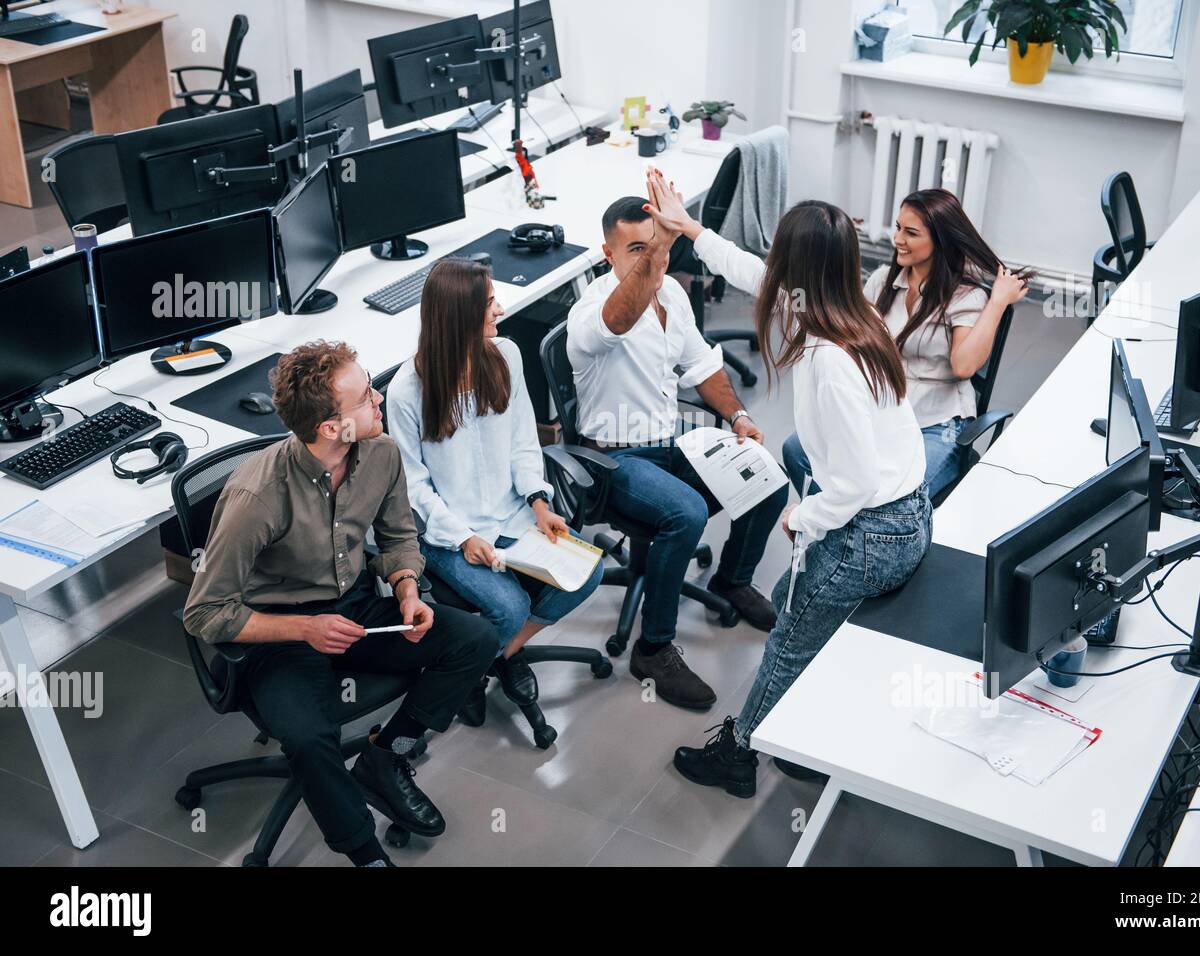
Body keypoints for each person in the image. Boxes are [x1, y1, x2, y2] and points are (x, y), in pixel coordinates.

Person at [651, 185, 933, 797]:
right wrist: (692, 231)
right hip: (906, 510)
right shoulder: (852, 305)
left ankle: (740, 755)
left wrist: (806, 518)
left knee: (787, 639)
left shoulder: (831, 361)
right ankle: (800, 727)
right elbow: (756, 275)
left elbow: (855, 485)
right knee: (789, 594)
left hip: (874, 532)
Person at [183, 340, 498, 866]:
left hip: (354, 606)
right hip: (278, 632)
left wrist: (407, 591)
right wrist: (304, 630)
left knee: (476, 640)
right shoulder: (256, 497)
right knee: (310, 738)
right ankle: (365, 852)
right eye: (365, 397)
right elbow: (204, 613)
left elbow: (398, 537)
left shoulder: (381, 452)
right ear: (330, 428)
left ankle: (383, 760)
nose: (379, 399)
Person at [565, 191, 787, 711]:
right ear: (608, 254)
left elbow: (703, 367)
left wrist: (739, 417)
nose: (653, 259)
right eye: (638, 249)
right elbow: (619, 323)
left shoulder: (674, 298)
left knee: (765, 476)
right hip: (613, 460)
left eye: (659, 247)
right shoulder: (592, 310)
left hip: (671, 443)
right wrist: (661, 248)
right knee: (684, 512)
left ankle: (733, 581)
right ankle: (654, 649)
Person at [386, 258, 603, 723]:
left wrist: (540, 504)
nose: (499, 309)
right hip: (450, 533)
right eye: (488, 304)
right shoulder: (407, 391)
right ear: (460, 315)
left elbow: (525, 442)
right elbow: (415, 490)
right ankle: (475, 663)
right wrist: (464, 539)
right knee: (509, 603)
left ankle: (490, 659)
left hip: (514, 516)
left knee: (589, 571)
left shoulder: (506, 355)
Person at [783, 187, 1029, 500]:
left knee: (893, 497)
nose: (898, 239)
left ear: (940, 241)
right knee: (797, 449)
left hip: (936, 427)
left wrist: (996, 301)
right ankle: (837, 526)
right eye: (898, 228)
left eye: (911, 233)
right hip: (881, 416)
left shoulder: (965, 296)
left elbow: (964, 365)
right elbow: (850, 342)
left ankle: (849, 527)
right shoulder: (883, 281)